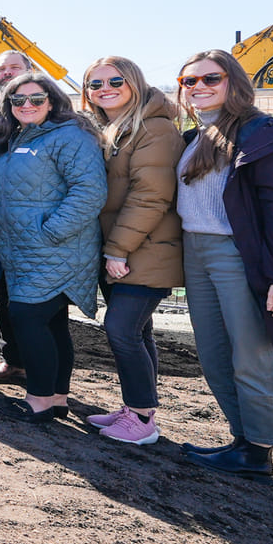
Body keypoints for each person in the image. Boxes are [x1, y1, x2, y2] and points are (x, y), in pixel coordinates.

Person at [175, 51, 273, 479]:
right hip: (197, 251)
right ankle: (243, 438)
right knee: (214, 352)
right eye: (189, 81)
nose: (199, 87)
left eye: (212, 78)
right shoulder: (195, 137)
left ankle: (259, 451)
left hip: (239, 255)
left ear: (234, 82)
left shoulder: (265, 133)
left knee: (257, 353)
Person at [0, 71, 107, 422]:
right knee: (52, 323)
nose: (27, 105)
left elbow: (89, 191)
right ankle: (56, 399)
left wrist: (50, 232)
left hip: (57, 248)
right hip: (26, 251)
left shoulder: (69, 136)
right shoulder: (19, 137)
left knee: (27, 316)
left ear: (52, 101)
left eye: (36, 99)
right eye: (18, 100)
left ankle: (38, 398)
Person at [79, 56, 184, 446]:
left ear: (134, 82)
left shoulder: (155, 130)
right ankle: (137, 409)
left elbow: (150, 196)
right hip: (122, 246)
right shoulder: (112, 127)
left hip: (143, 249)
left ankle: (141, 419)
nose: (104, 89)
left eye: (114, 81)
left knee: (121, 329)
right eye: (95, 84)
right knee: (139, 332)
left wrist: (118, 249)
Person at [0, 49, 38, 383]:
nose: (6, 73)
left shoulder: (45, 108)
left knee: (33, 295)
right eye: (0, 69)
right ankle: (13, 359)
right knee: (0, 291)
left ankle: (43, 365)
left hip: (33, 217)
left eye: (14, 67)